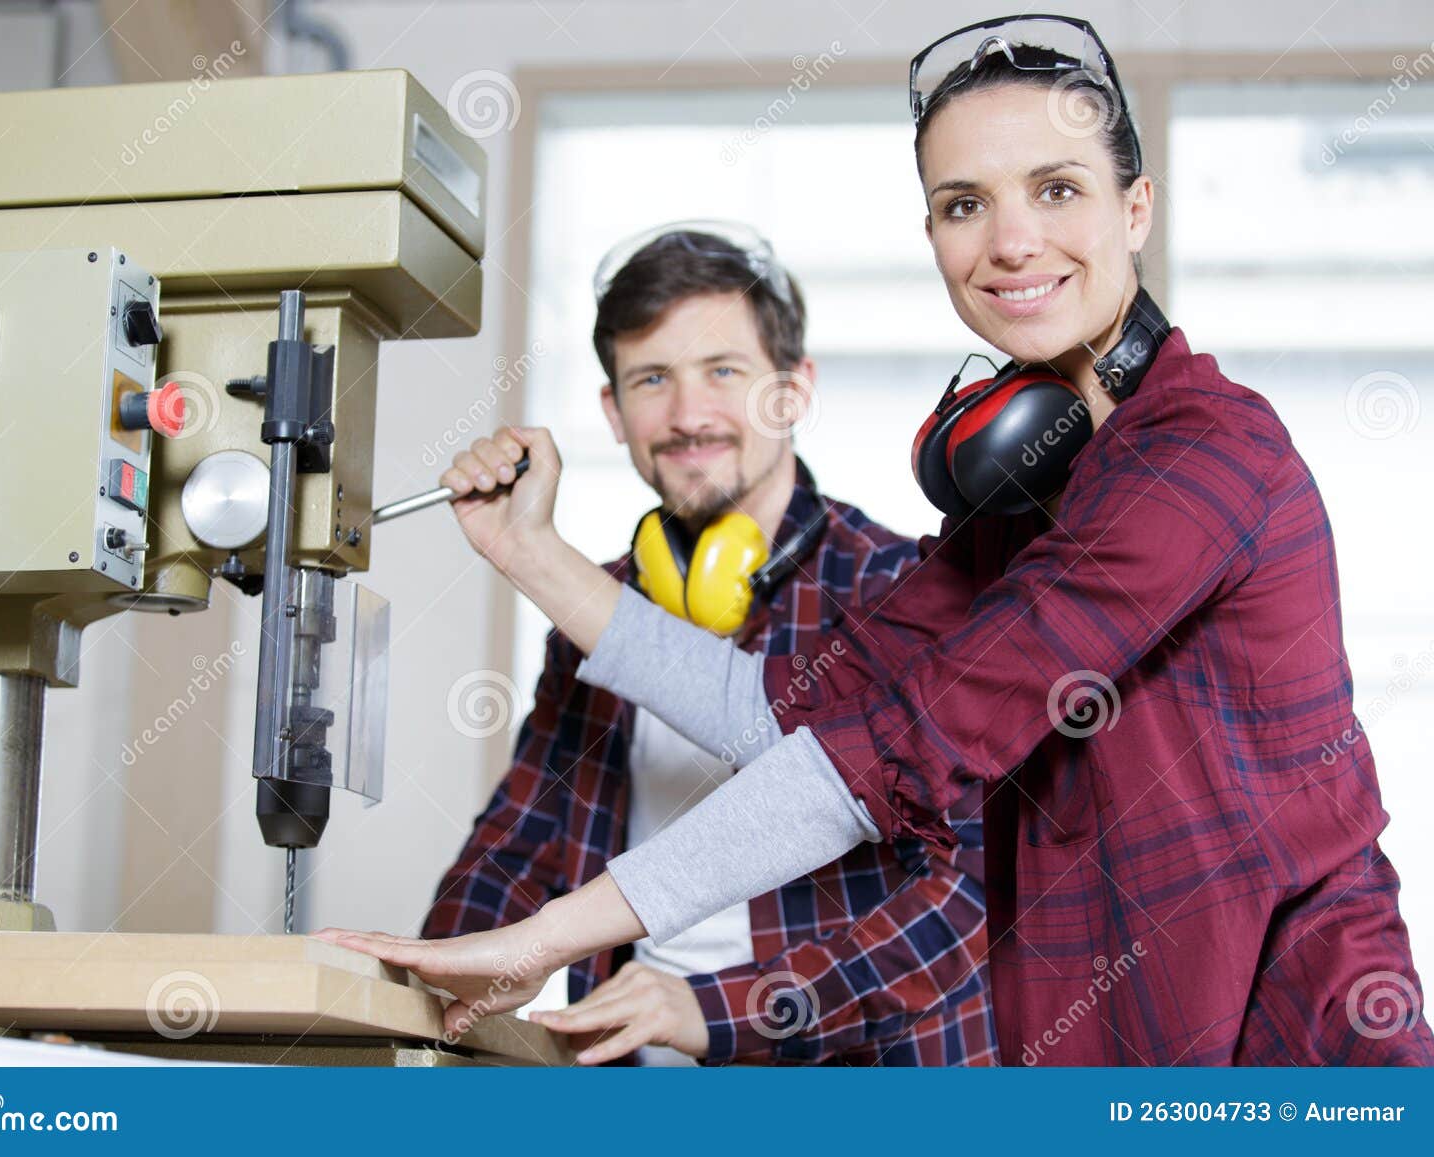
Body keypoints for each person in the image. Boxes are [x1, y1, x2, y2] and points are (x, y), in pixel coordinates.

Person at [320, 16, 1433, 1065]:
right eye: (962, 204)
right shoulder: (1010, 515)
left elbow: (897, 746)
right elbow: (782, 713)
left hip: (1289, 1048)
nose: (1008, 242)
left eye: (1056, 189)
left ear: (1134, 208)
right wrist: (526, 552)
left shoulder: (1202, 451)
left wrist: (554, 935)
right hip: (1097, 1052)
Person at [408, 223, 993, 1066]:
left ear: (793, 392)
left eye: (723, 370)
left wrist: (723, 1008)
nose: (688, 416)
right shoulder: (594, 619)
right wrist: (421, 991)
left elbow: (962, 905)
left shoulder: (904, 592)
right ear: (612, 410)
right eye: (652, 379)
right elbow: (517, 846)